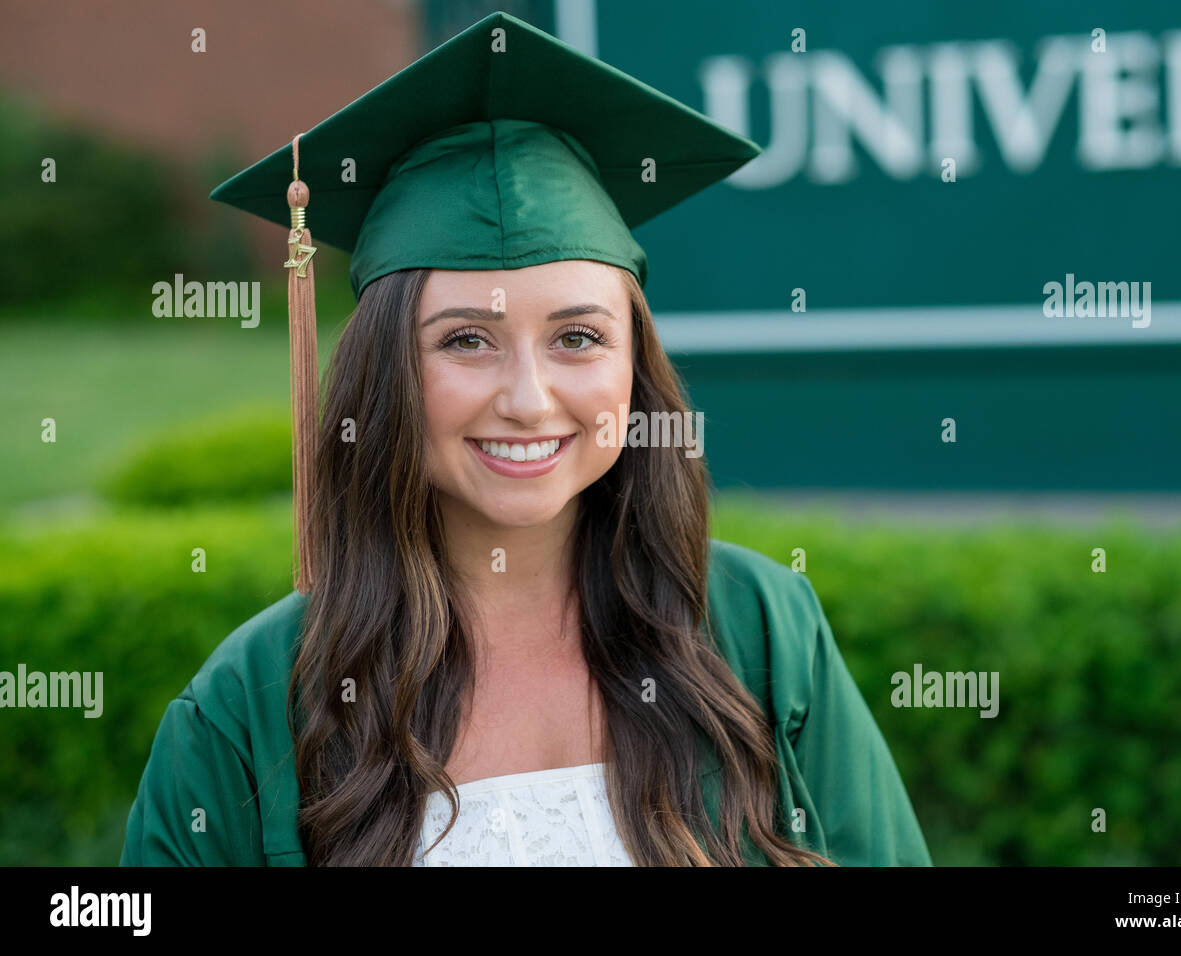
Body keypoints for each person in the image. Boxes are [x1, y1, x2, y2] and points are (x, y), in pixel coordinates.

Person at [119, 9, 931, 867]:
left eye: (577, 338)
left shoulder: (761, 631)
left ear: (635, 366)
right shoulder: (250, 704)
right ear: (385, 372)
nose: (529, 399)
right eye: (466, 340)